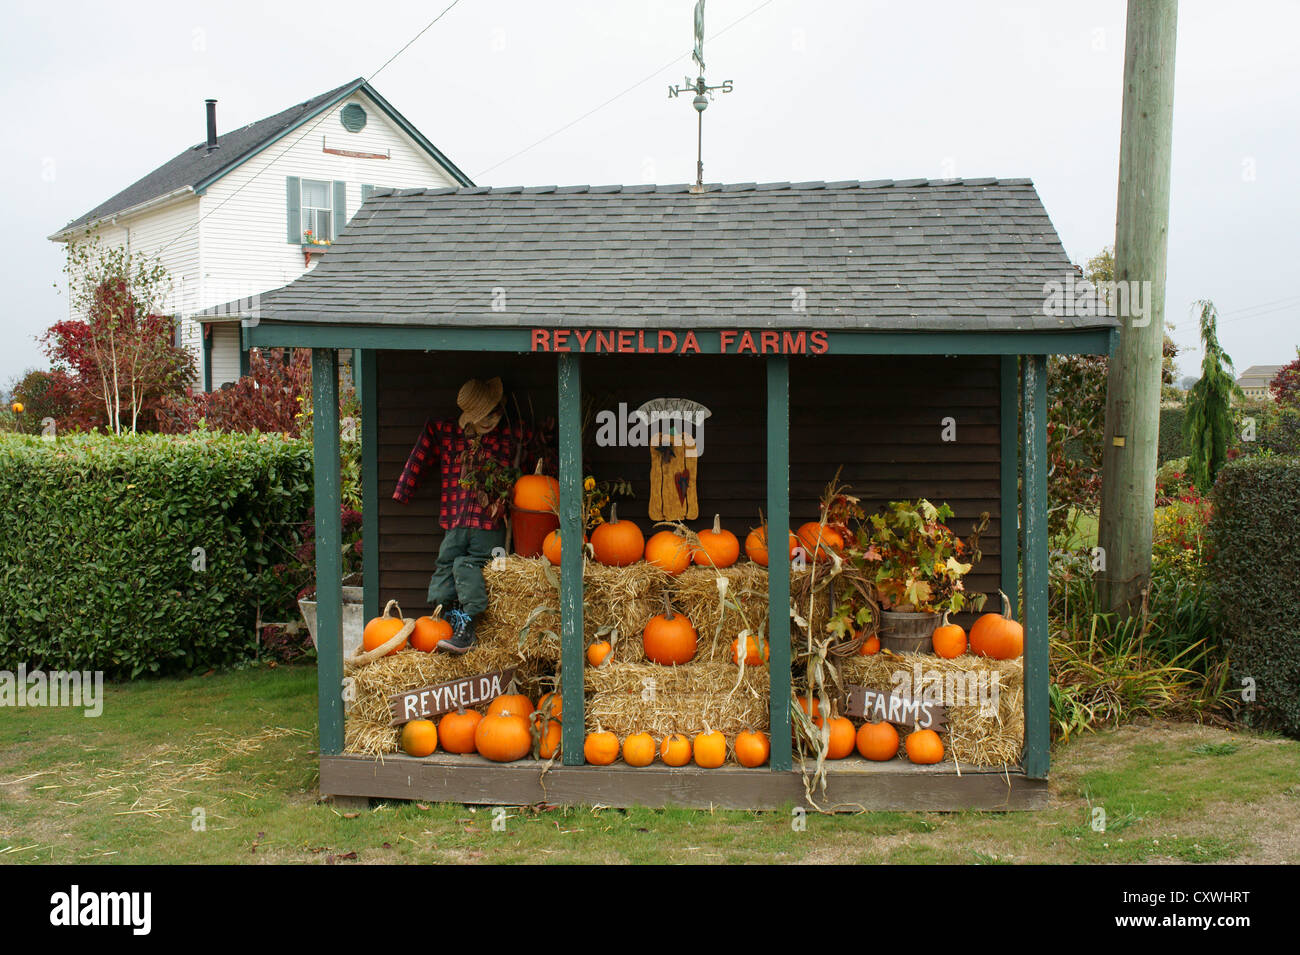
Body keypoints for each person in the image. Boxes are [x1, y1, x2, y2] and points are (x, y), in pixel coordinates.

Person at [392, 377, 529, 654]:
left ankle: (468, 627)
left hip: (489, 524)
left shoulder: (509, 436)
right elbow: (421, 452)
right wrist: (404, 489)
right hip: (453, 521)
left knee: (469, 566)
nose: (490, 420)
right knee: (444, 574)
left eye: (495, 413)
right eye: (483, 415)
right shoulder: (447, 433)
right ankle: (450, 621)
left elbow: (532, 452)